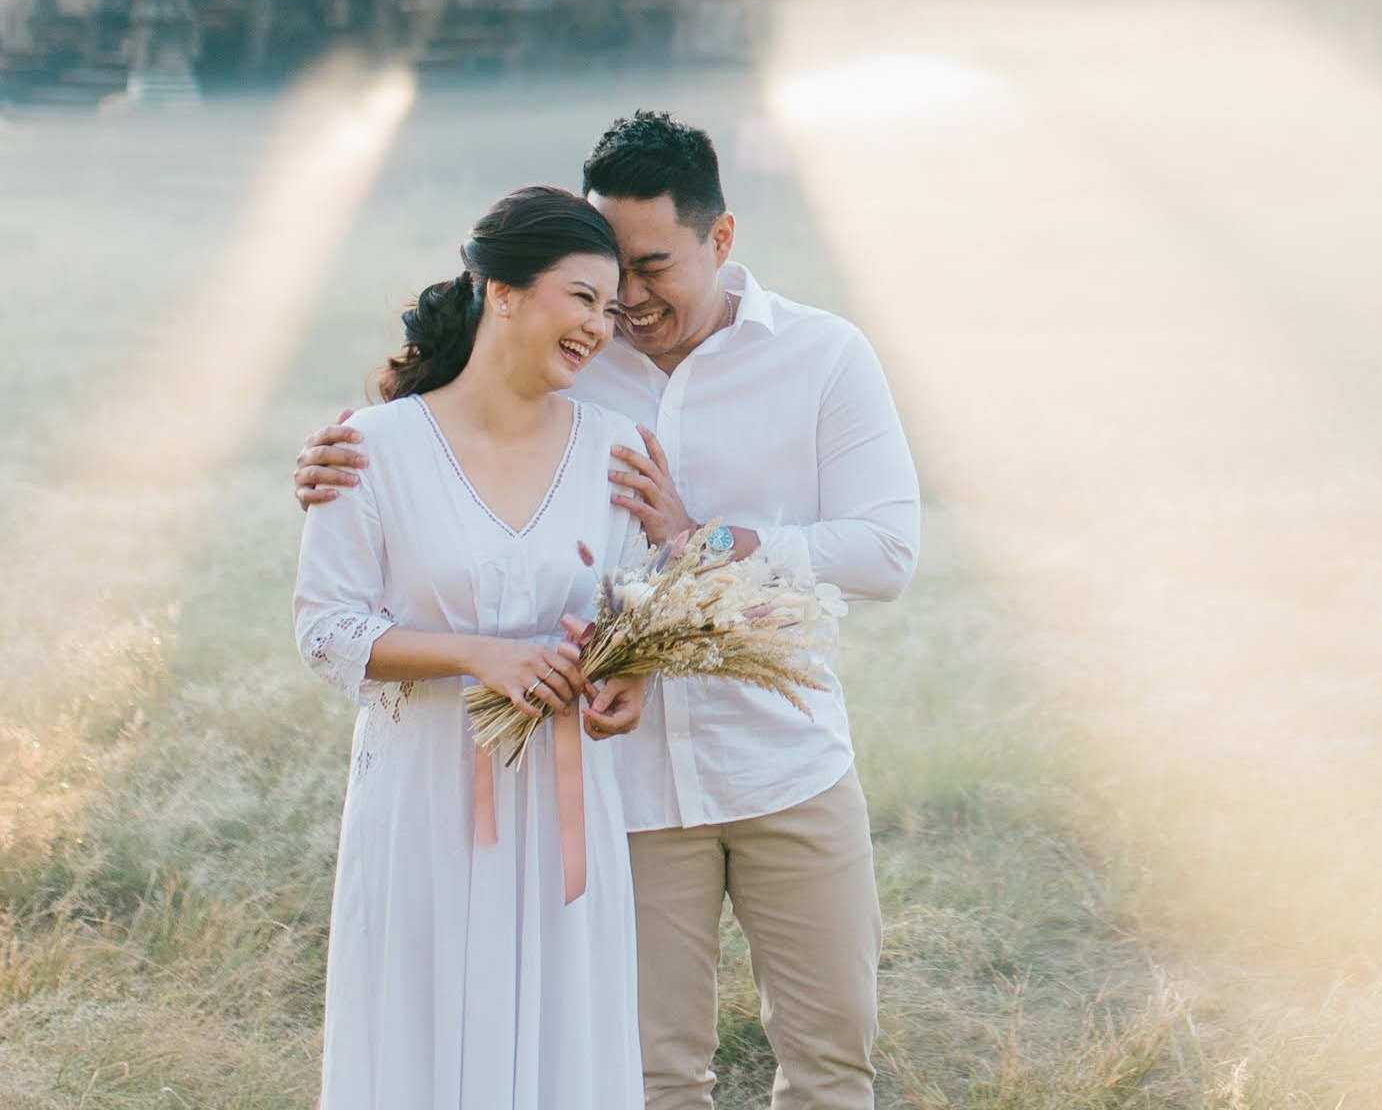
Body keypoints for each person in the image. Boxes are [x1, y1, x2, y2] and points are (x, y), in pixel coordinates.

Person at [297, 113, 922, 1110]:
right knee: (648, 1075)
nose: (624, 301)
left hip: (785, 758)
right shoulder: (579, 358)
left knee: (830, 1066)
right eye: (601, 276)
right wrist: (351, 456)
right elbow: (469, 423)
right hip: (621, 790)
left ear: (720, 240)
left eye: (649, 266)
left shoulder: (823, 356)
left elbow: (887, 551)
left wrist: (703, 537)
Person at [294, 186, 652, 1110]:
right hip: (426, 802)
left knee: (562, 1048)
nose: (599, 327)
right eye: (581, 297)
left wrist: (626, 679)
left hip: (564, 813)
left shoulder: (615, 449)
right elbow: (327, 631)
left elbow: (628, 610)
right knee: (422, 1038)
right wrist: (475, 656)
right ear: (501, 289)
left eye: (610, 310)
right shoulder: (370, 447)